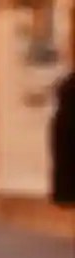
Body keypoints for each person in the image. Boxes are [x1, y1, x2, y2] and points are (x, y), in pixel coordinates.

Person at [53, 71, 75, 207]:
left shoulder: (67, 82)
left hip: (63, 126)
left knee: (64, 162)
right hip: (68, 127)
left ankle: (65, 196)